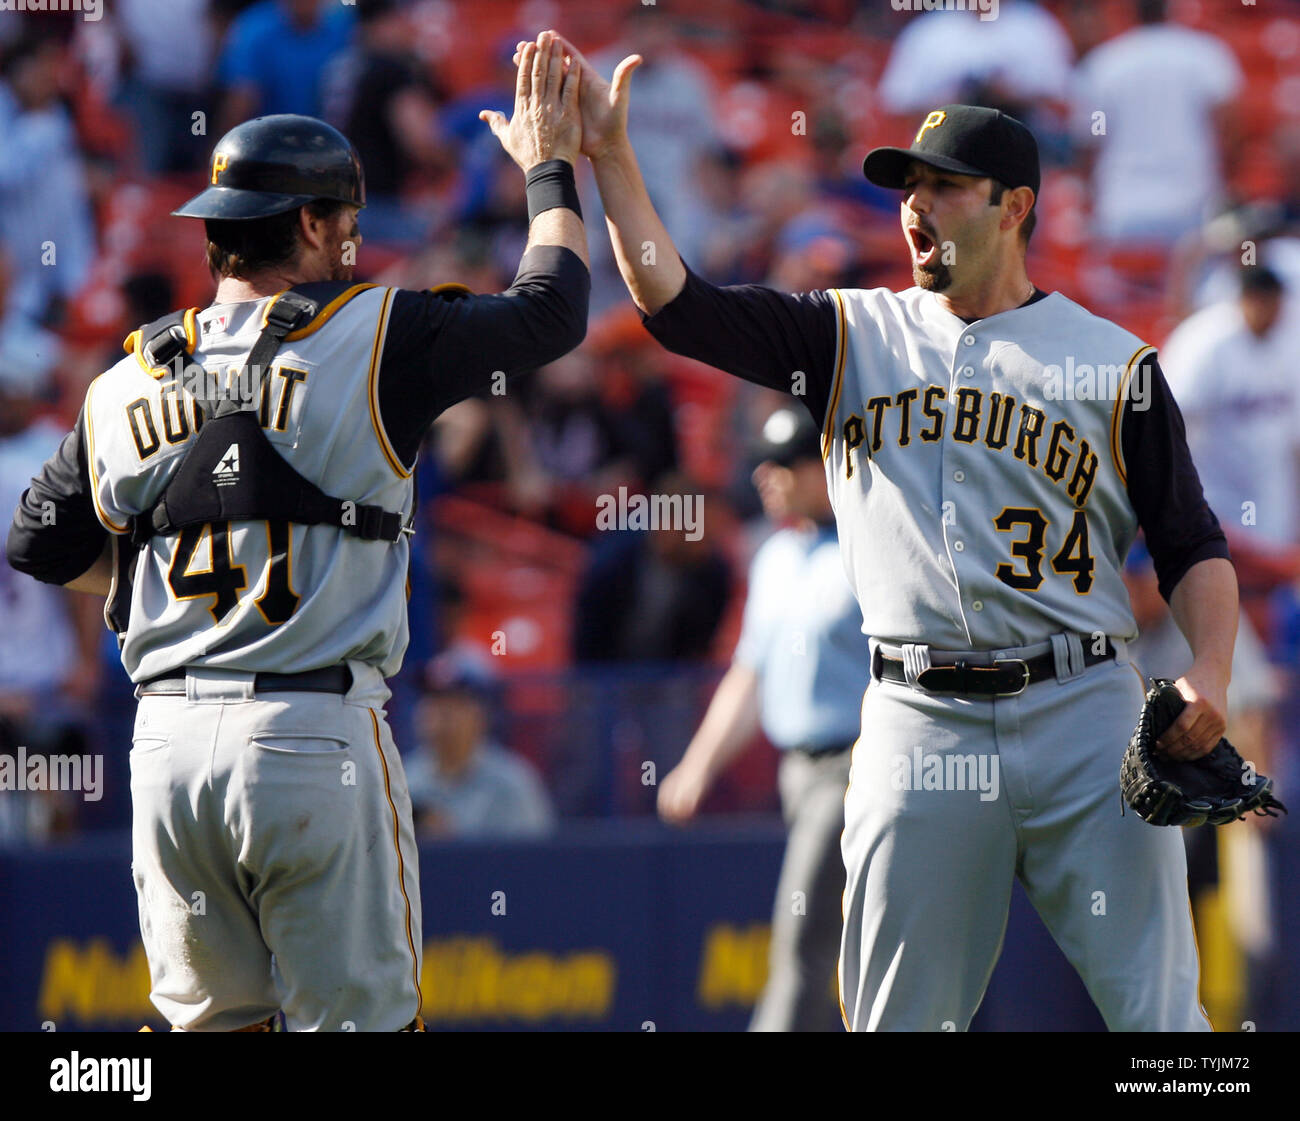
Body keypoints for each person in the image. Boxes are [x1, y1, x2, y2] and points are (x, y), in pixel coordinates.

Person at [543, 30, 1237, 1031]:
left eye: (943, 186)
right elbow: (674, 305)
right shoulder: (849, 334)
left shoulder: (1113, 362)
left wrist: (1208, 670)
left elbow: (1190, 541)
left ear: (1014, 206)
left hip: (1084, 709)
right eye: (905, 186)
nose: (913, 206)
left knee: (1163, 1020)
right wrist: (610, 157)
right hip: (920, 716)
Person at [6, 32, 589, 1031]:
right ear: (311, 223)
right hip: (310, 733)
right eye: (345, 223)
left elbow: (36, 542)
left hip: (169, 744)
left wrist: (156, 570)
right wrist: (548, 166)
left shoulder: (125, 376)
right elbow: (552, 309)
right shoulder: (377, 334)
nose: (353, 241)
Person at [658, 406, 868, 1032]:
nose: (764, 476)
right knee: (840, 946)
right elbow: (750, 674)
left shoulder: (873, 544)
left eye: (783, 463)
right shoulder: (775, 554)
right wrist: (697, 765)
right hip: (797, 775)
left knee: (801, 936)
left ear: (824, 466)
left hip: (858, 768)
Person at [1071, 0, 1242, 245]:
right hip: (1192, 200)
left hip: (1123, 205)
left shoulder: (1105, 63)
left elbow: (1091, 141)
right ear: (1170, 8)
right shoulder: (1204, 54)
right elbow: (1229, 128)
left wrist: (1092, 196)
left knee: (1122, 284)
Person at [404, 654, 555, 840]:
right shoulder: (402, 780)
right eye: (432, 703)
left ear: (481, 714)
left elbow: (537, 862)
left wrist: (452, 840)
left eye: (453, 705)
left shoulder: (512, 783)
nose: (440, 717)